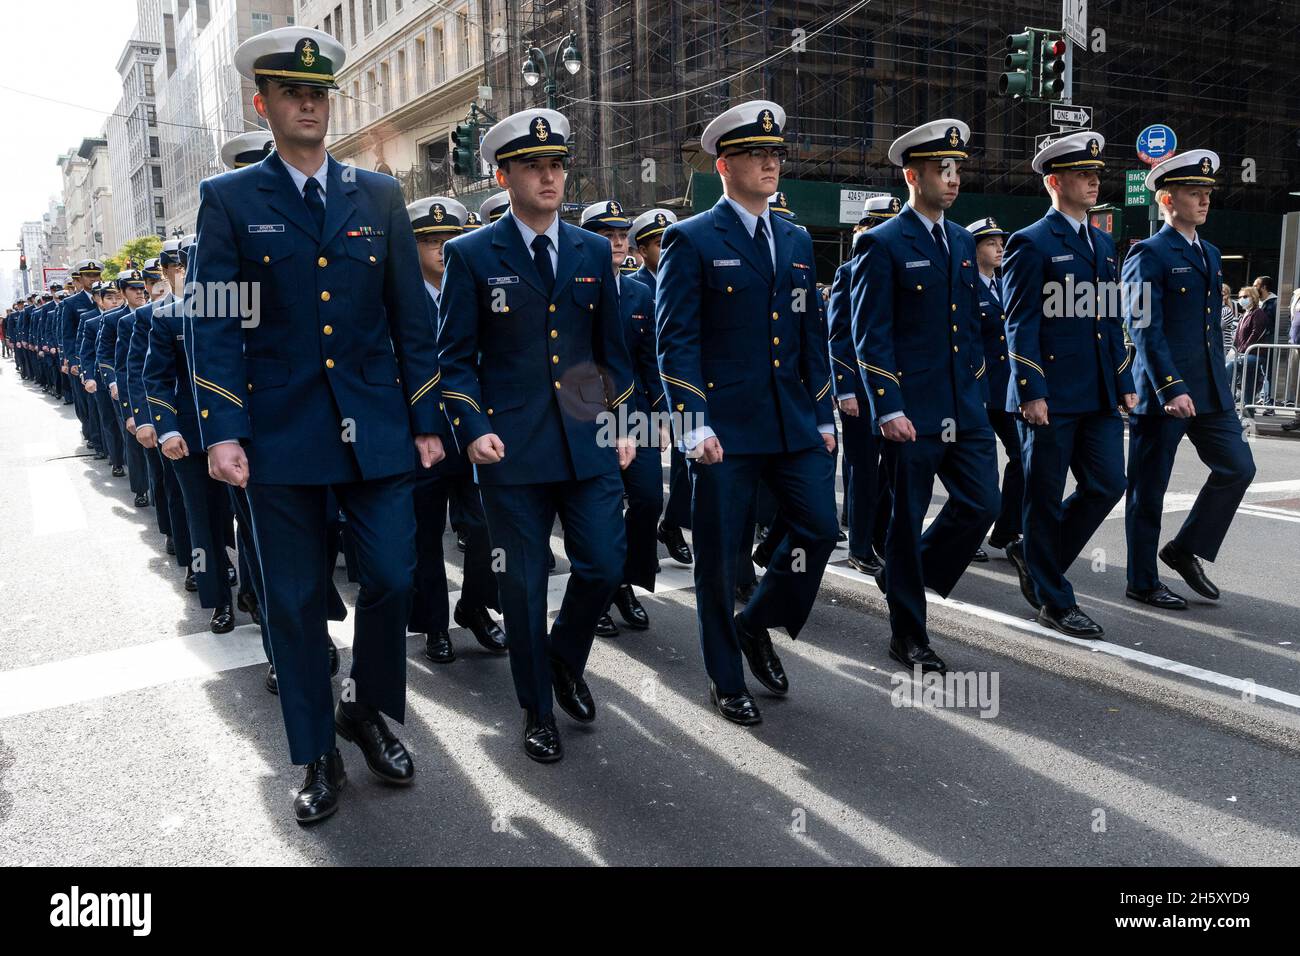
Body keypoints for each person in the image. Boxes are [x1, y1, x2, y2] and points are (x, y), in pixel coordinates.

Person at [189, 27, 450, 824]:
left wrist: (426, 417)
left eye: (319, 92)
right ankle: (316, 754)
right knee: (295, 603)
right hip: (280, 437)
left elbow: (412, 319)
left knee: (395, 576)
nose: (309, 103)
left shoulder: (379, 198)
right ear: (261, 103)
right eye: (293, 92)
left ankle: (365, 708)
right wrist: (223, 427)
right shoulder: (230, 200)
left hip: (375, 429)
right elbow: (215, 322)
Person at [438, 107, 636, 762]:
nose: (549, 177)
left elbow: (611, 348)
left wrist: (623, 415)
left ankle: (563, 660)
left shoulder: (589, 249)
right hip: (510, 448)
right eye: (533, 167)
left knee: (605, 563)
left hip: (587, 435)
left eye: (556, 165)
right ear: (505, 174)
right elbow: (455, 358)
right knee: (521, 587)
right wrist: (472, 427)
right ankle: (535, 709)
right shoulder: (471, 255)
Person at [657, 100, 839, 723]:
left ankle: (756, 622)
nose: (770, 163)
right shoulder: (692, 238)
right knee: (717, 554)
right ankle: (724, 677)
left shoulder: (794, 237)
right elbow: (675, 340)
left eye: (776, 153)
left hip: (790, 420)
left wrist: (822, 414)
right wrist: (692, 420)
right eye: (757, 154)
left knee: (818, 526)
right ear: (723, 164)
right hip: (724, 429)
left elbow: (810, 333)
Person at [851, 119, 999, 674]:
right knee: (906, 521)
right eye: (943, 169)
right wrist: (887, 405)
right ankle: (908, 634)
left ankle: (901, 575)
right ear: (913, 175)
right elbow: (872, 333)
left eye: (958, 168)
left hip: (965, 405)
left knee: (984, 503)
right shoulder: (881, 243)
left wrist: (977, 385)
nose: (954, 178)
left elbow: (970, 323)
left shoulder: (962, 241)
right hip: (910, 411)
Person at [1002, 131, 1135, 639]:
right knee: (1044, 491)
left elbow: (1109, 316)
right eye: (1083, 173)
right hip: (1052, 393)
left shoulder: (1101, 241)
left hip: (1098, 390)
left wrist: (1123, 378)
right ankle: (1055, 601)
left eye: (1096, 173)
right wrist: (1031, 390)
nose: (1094, 179)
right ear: (1055, 182)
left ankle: (1037, 557)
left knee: (1108, 483)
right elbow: (1020, 322)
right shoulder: (1031, 242)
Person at [1123, 149, 1256, 610]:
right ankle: (1141, 580)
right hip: (1164, 392)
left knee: (1239, 467)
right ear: (1166, 198)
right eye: (1193, 193)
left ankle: (1184, 548)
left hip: (1209, 390)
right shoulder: (1147, 253)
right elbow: (1143, 325)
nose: (1203, 200)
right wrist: (1168, 386)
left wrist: (1219, 387)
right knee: (1148, 490)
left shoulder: (1211, 253)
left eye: (1206, 193)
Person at [404, 194, 506, 664]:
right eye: (430, 240)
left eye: (450, 239)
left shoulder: (479, 289)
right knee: (425, 536)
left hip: (473, 431)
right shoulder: (400, 300)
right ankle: (432, 625)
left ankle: (475, 606)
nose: (442, 248)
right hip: (421, 436)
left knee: (485, 527)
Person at [579, 200, 662, 638]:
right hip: (588, 416)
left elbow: (651, 362)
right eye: (607, 234)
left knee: (648, 499)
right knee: (603, 508)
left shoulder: (638, 293)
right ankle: (601, 589)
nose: (617, 241)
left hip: (637, 414)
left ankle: (626, 581)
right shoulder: (574, 288)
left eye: (621, 234)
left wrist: (665, 415)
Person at [828, 195, 899, 577]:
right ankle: (859, 546)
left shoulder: (898, 267)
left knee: (890, 471)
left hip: (893, 386)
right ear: (863, 229)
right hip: (859, 385)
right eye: (876, 225)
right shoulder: (850, 271)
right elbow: (839, 335)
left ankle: (877, 535)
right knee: (863, 469)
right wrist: (845, 389)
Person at [631, 207, 693, 566]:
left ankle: (671, 525)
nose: (666, 249)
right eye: (658, 243)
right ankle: (634, 557)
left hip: (684, 387)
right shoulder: (634, 287)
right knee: (643, 486)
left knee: (691, 463)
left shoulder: (688, 279)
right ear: (642, 251)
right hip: (644, 393)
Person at [966, 216, 1022, 558]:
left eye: (1001, 241)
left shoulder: (1004, 285)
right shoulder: (965, 288)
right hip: (976, 392)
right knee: (977, 472)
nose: (1000, 247)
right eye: (991, 243)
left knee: (1022, 458)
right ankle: (967, 535)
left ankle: (1006, 529)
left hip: (1007, 391)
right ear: (973, 251)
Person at [1228, 286, 1270, 414]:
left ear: (1253, 297)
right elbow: (1237, 336)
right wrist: (1234, 349)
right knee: (1249, 382)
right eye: (1240, 297)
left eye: (1245, 296)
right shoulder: (1244, 314)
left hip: (1254, 354)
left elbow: (1256, 333)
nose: (1242, 299)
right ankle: (1249, 411)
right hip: (1243, 353)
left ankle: (1225, 400)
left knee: (1230, 366)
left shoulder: (1258, 313)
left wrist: (1242, 349)